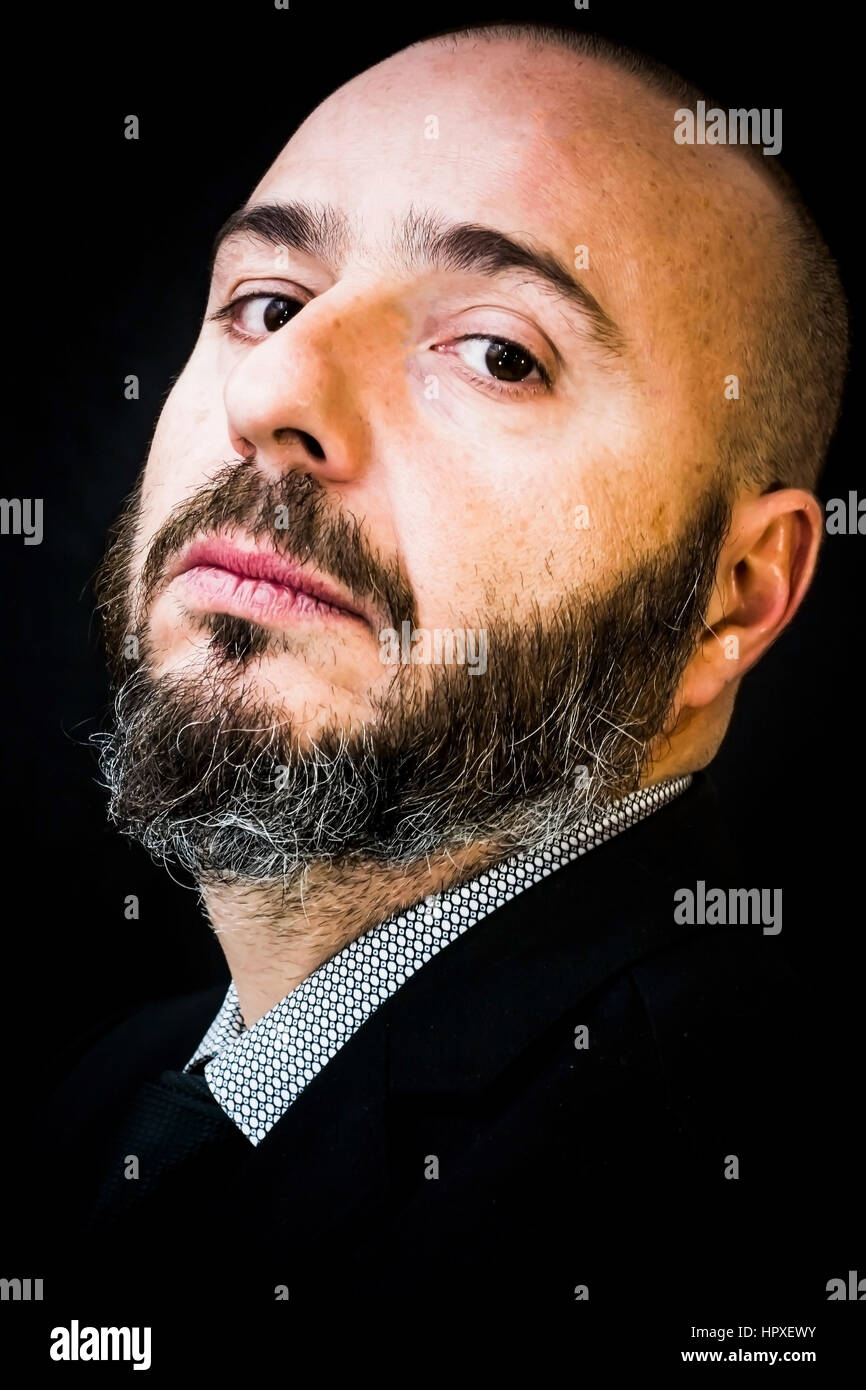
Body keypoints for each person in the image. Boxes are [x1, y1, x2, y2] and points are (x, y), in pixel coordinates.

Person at [36, 22, 848, 1327]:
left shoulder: (717, 1217)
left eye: (498, 352)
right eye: (265, 301)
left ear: (732, 594)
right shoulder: (121, 1086)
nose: (276, 386)